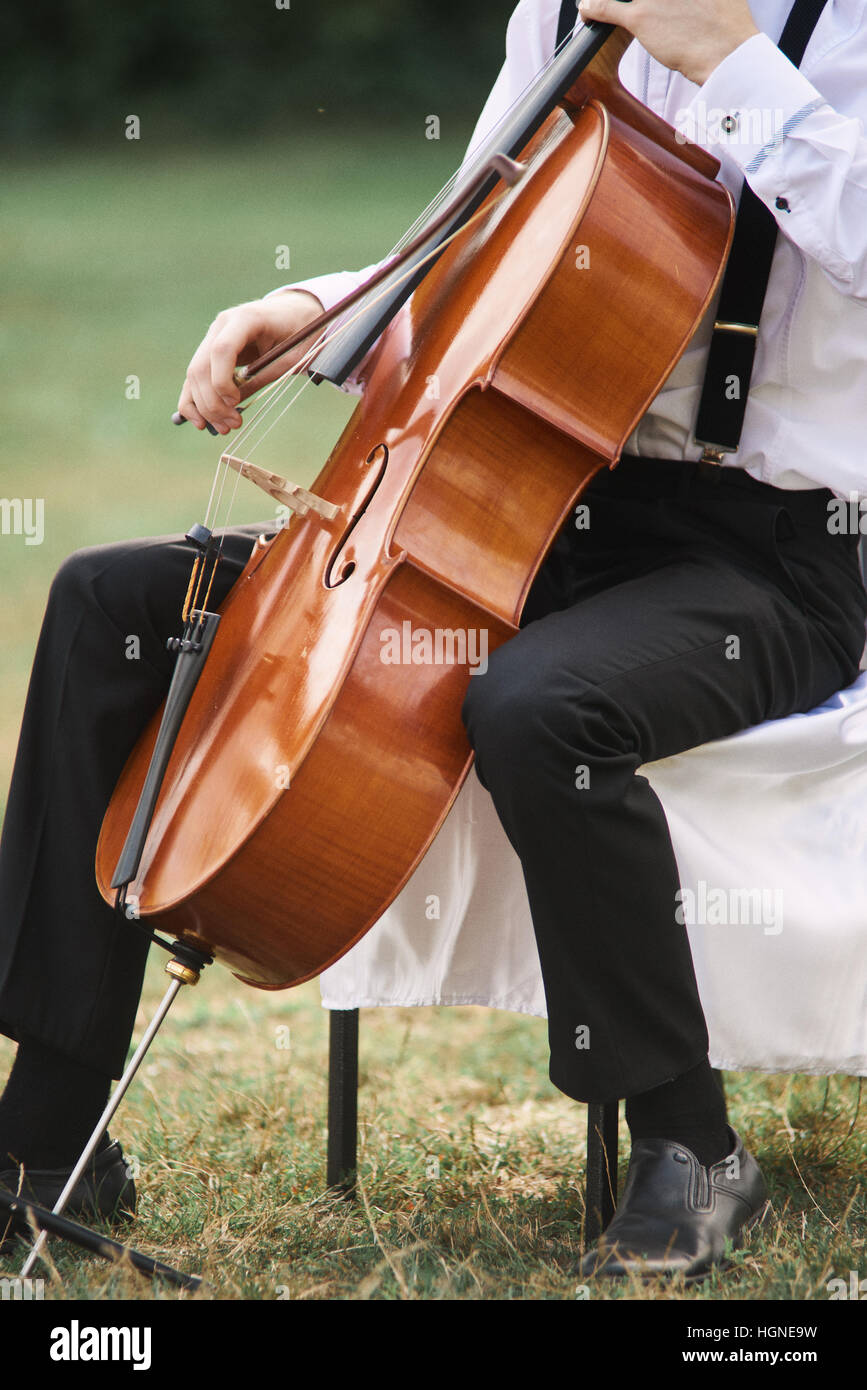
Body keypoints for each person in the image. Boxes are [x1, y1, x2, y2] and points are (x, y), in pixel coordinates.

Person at [1, 0, 865, 1281]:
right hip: (544, 503)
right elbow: (473, 255)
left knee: (540, 704)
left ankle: (688, 1135)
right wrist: (309, 310)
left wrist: (733, 67)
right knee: (108, 609)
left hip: (781, 556)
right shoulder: (567, 15)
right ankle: (50, 1125)